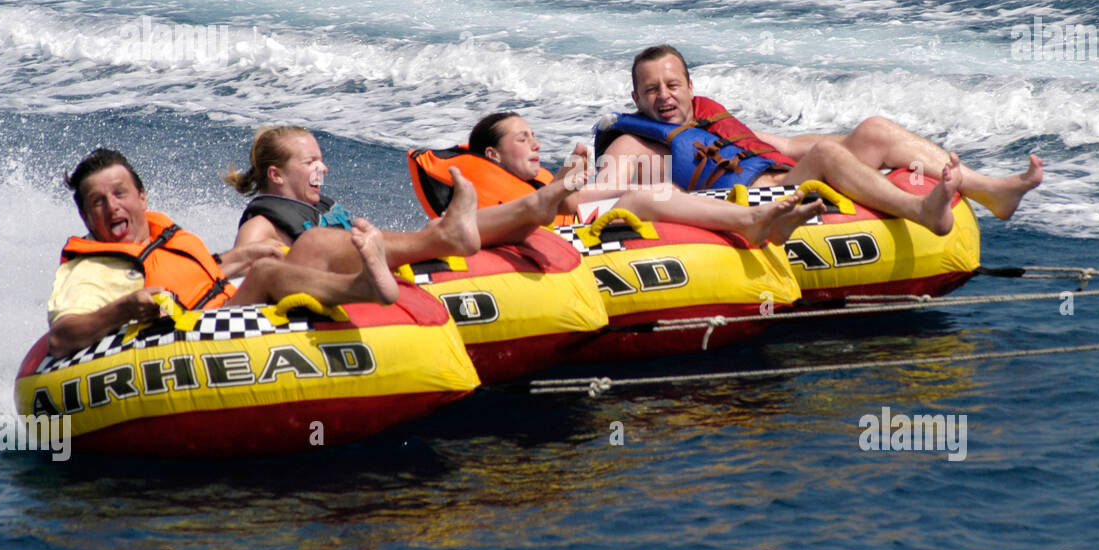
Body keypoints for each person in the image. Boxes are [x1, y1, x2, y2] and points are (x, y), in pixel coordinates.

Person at [597, 45, 1044, 235]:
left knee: (870, 131)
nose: (664, 96)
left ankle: (992, 191)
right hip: (750, 200)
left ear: (690, 87)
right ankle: (921, 211)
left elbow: (784, 147)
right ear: (636, 98)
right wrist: (572, 178)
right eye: (652, 90)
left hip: (781, 174)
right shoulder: (635, 145)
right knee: (828, 154)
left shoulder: (711, 120)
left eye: (672, 85)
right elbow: (600, 189)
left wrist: (863, 145)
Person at [46, 149, 402, 358]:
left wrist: (239, 257)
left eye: (120, 194)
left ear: (142, 197)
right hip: (190, 343)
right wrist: (124, 308)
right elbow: (61, 338)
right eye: (98, 202)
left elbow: (195, 276)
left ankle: (430, 244)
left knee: (306, 246)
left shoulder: (158, 232)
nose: (112, 207)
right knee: (265, 273)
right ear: (85, 216)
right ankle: (365, 288)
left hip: (227, 314)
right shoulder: (91, 270)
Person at [446, 111, 826, 246]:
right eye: (522, 138)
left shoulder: (537, 180)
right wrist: (567, 182)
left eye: (533, 134)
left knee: (660, 187)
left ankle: (748, 218)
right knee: (648, 195)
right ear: (492, 154)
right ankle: (751, 224)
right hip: (574, 238)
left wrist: (566, 178)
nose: (535, 143)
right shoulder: (479, 188)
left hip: (582, 226)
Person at [227, 126, 485, 275]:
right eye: (311, 162)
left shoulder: (319, 206)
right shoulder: (261, 225)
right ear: (276, 175)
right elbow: (241, 271)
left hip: (370, 268)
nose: (323, 168)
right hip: (337, 285)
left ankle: (452, 231)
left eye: (320, 159)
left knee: (422, 229)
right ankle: (442, 238)